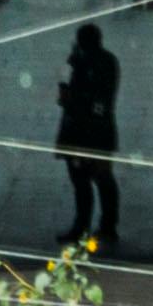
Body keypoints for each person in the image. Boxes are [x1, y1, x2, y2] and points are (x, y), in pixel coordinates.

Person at [55, 14, 127, 252]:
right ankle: (102, 224)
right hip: (94, 131)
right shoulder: (92, 60)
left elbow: (81, 96)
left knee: (89, 180)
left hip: (85, 130)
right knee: (96, 179)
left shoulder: (90, 62)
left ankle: (89, 225)